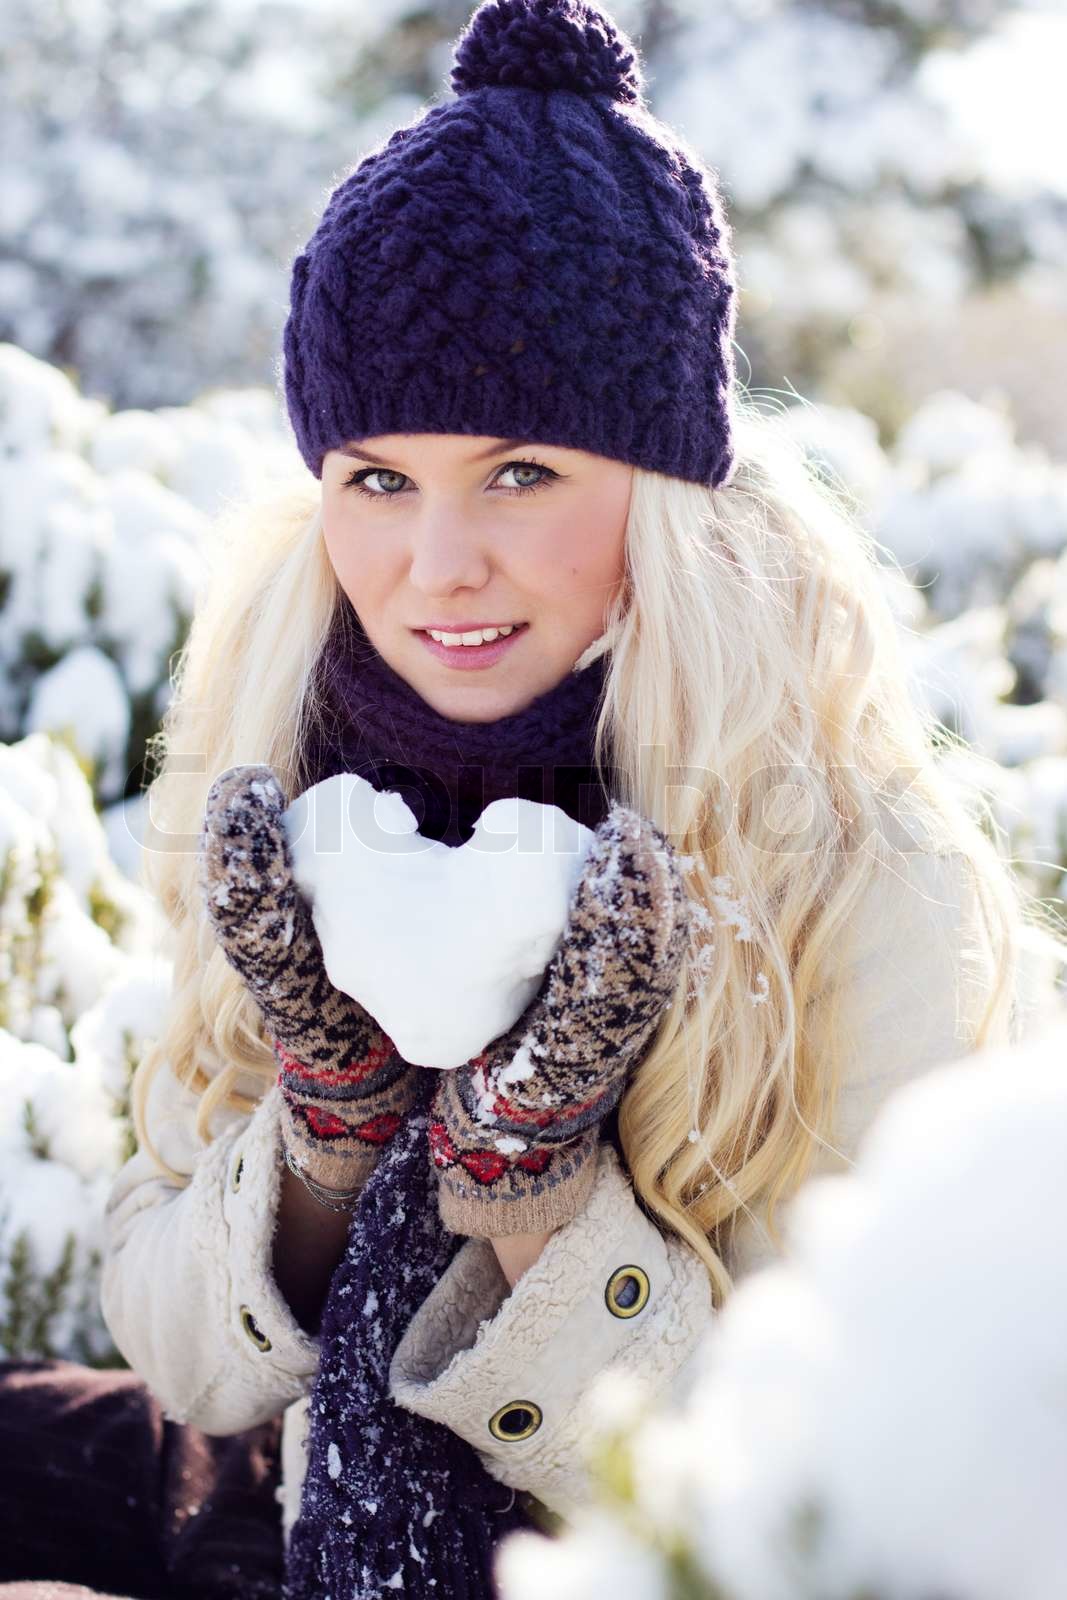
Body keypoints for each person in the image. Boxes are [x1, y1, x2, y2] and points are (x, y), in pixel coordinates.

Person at [2, 0, 1060, 1596]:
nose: (437, 567)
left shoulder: (846, 866)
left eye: (519, 474)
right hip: (290, 1479)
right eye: (378, 480)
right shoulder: (291, 766)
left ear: (663, 488)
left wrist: (534, 1196)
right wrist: (328, 1132)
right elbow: (189, 1359)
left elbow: (812, 1484)